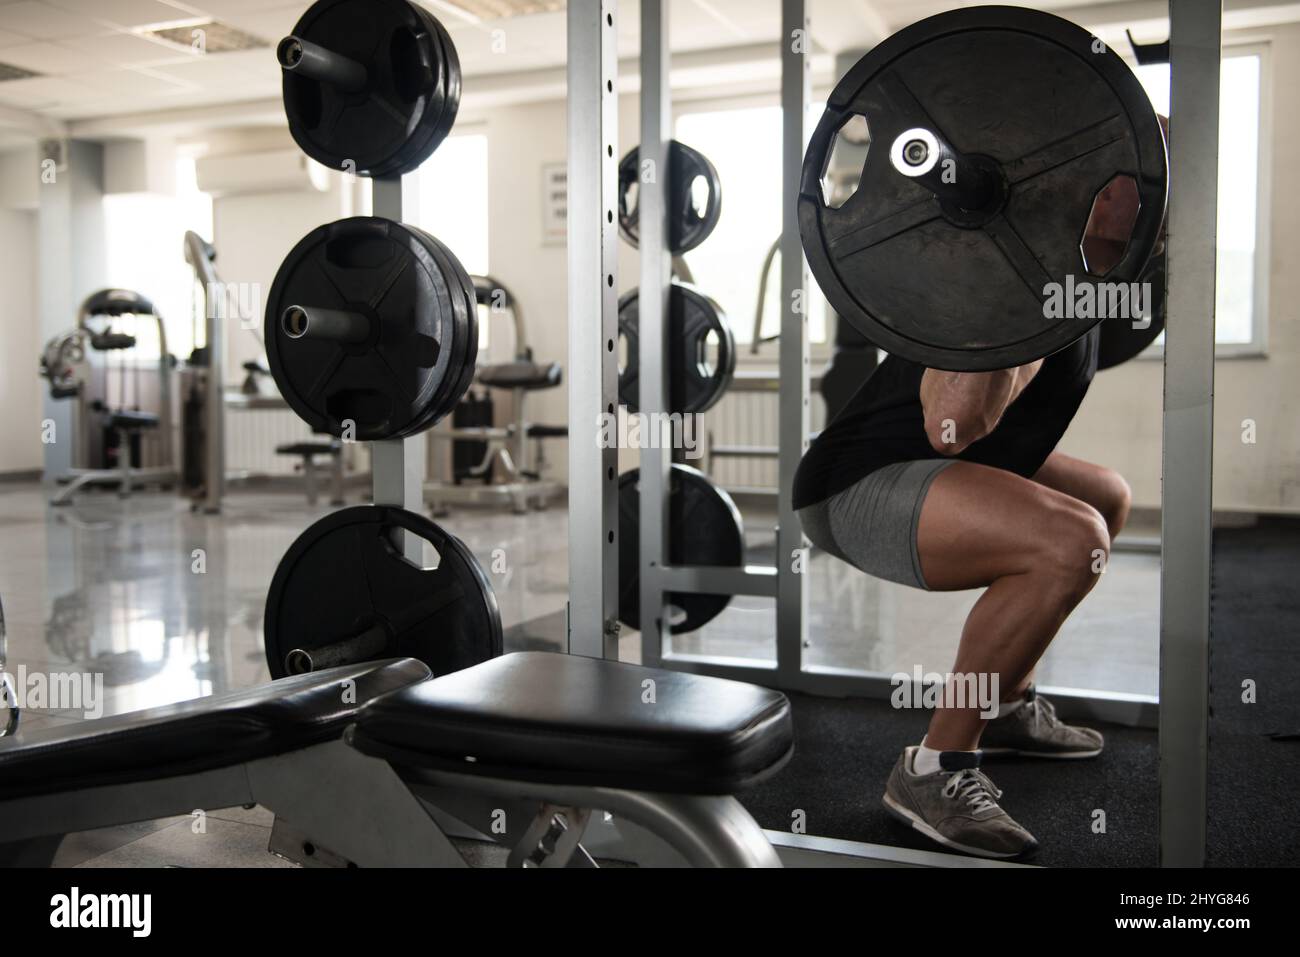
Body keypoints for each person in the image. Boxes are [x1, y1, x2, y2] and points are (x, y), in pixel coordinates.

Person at [793, 157, 1167, 859]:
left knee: (1104, 498)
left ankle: (1007, 702)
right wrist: (1015, 325)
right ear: (1093, 186)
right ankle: (934, 767)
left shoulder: (1092, 278)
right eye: (1143, 169)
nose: (1165, 187)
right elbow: (952, 428)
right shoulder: (1022, 266)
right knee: (1067, 540)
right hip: (856, 482)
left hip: (940, 463)